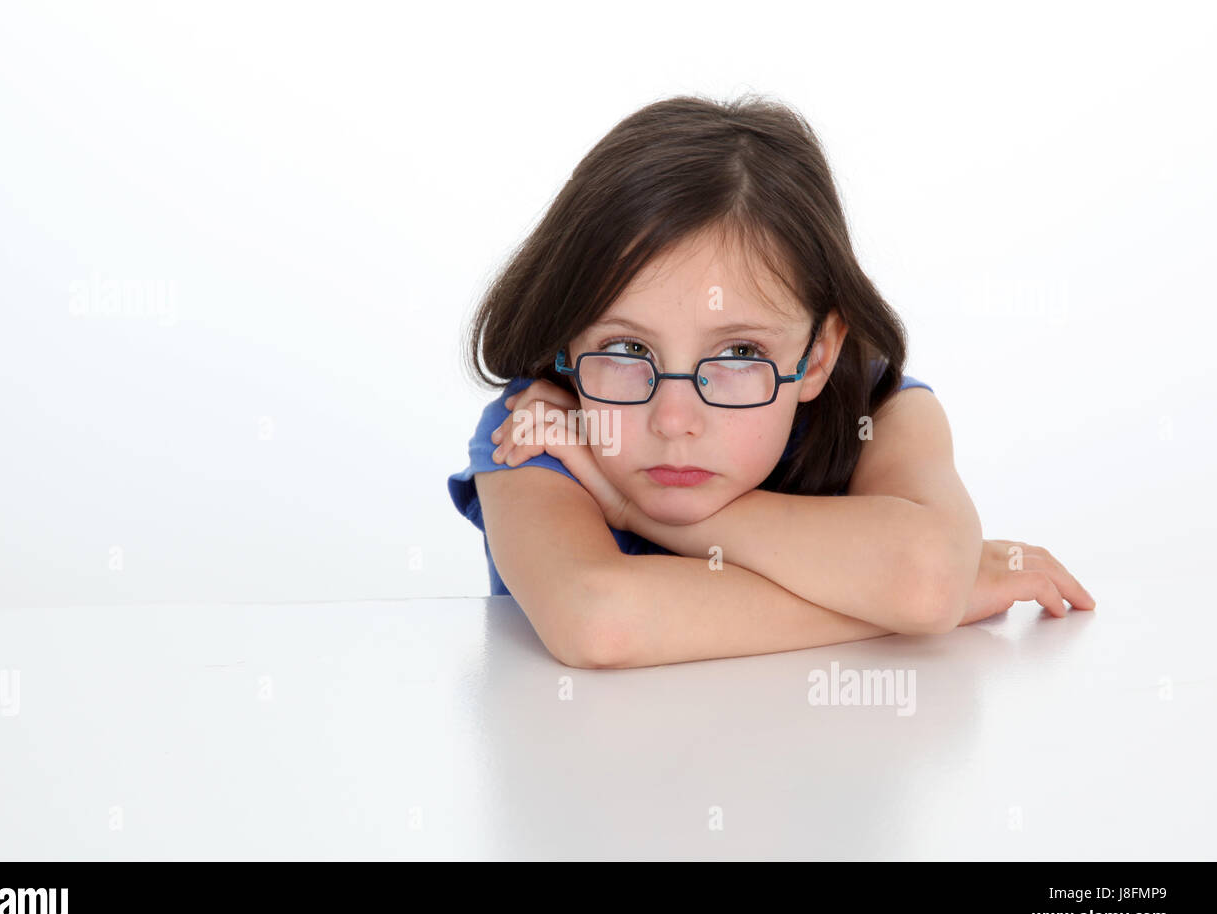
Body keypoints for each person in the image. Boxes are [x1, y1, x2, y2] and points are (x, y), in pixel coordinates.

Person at [447, 93, 1095, 669]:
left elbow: (923, 577)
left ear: (816, 357)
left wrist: (626, 507)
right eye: (625, 346)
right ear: (567, 341)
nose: (674, 419)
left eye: (737, 351)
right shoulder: (538, 430)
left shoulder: (886, 413)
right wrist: (913, 603)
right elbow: (601, 620)